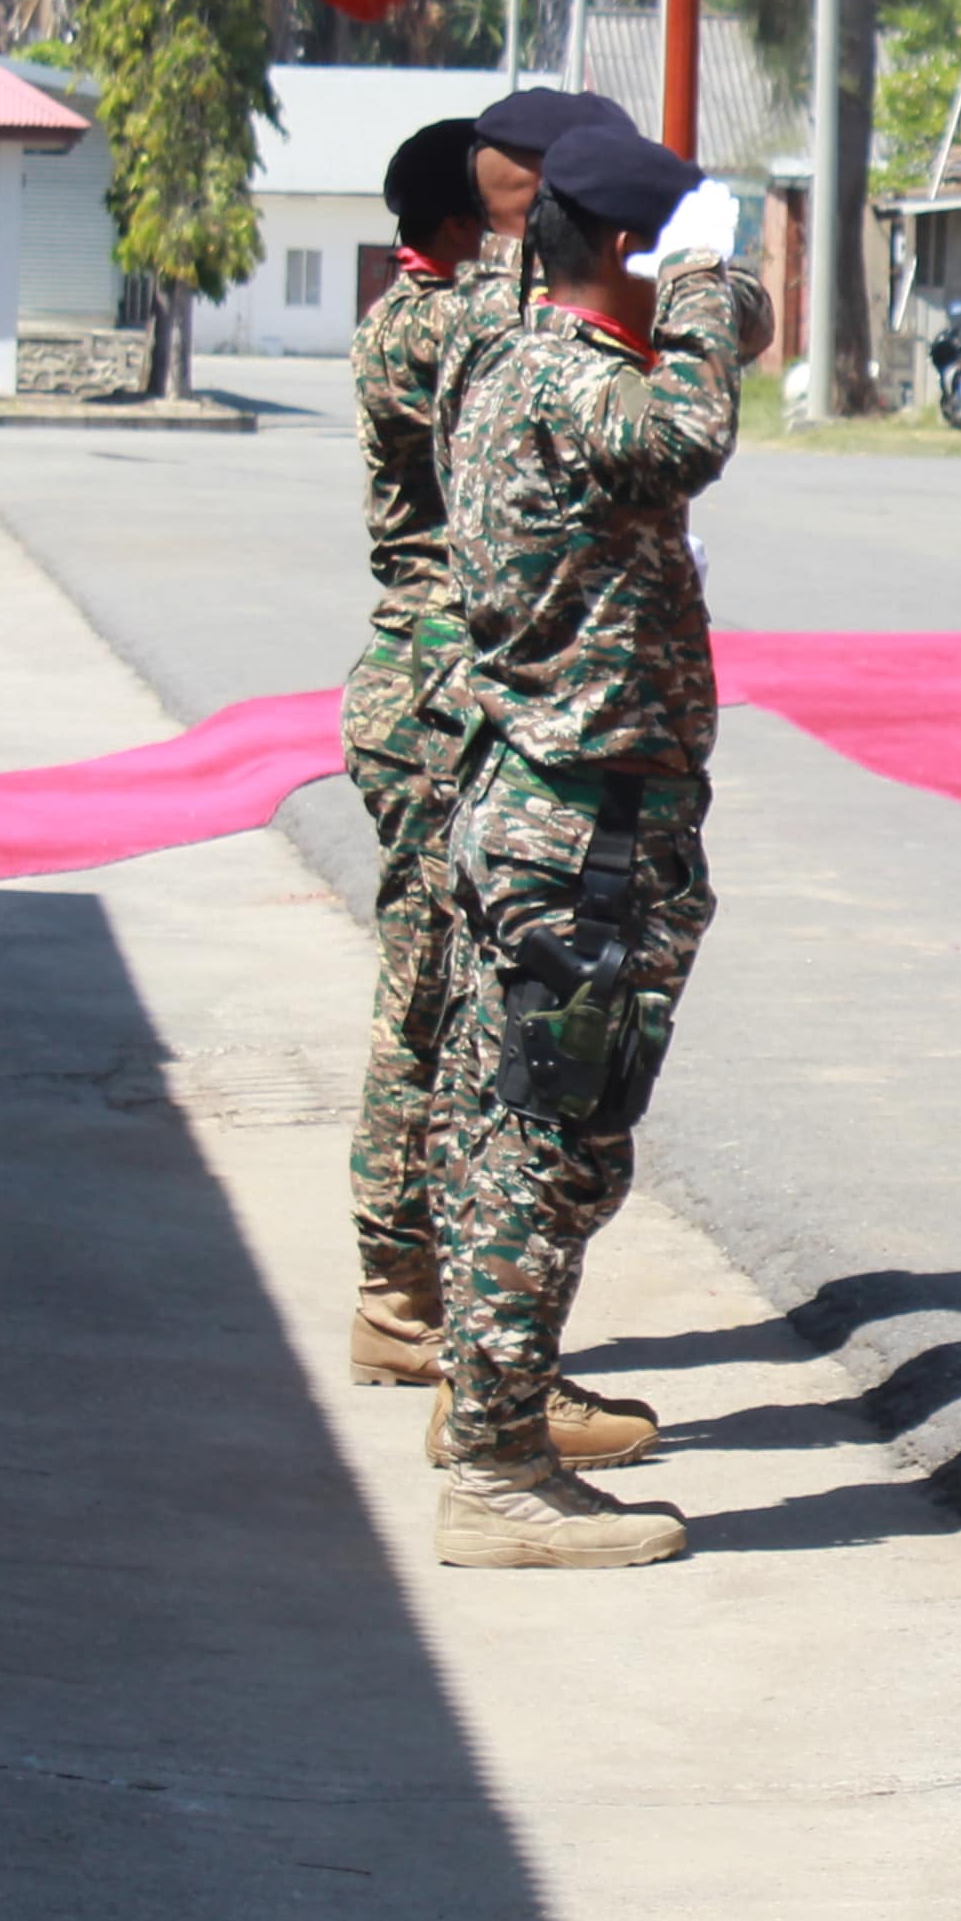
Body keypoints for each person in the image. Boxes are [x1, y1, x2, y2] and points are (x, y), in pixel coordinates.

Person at [429, 116, 765, 1565]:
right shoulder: (581, 382)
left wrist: (686, 298)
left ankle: (490, 1415)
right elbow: (687, 437)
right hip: (583, 814)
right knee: (551, 1137)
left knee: (515, 1120)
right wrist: (701, 299)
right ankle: (499, 1471)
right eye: (666, 257)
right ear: (624, 254)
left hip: (540, 795)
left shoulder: (503, 363)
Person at [342, 113, 667, 1442]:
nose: (541, 231)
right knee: (439, 1006)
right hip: (435, 694)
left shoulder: (458, 310)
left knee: (459, 1001)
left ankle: (427, 1297)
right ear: (467, 224)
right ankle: (407, 1297)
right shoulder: (437, 324)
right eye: (520, 208)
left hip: (447, 685)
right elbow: (590, 369)